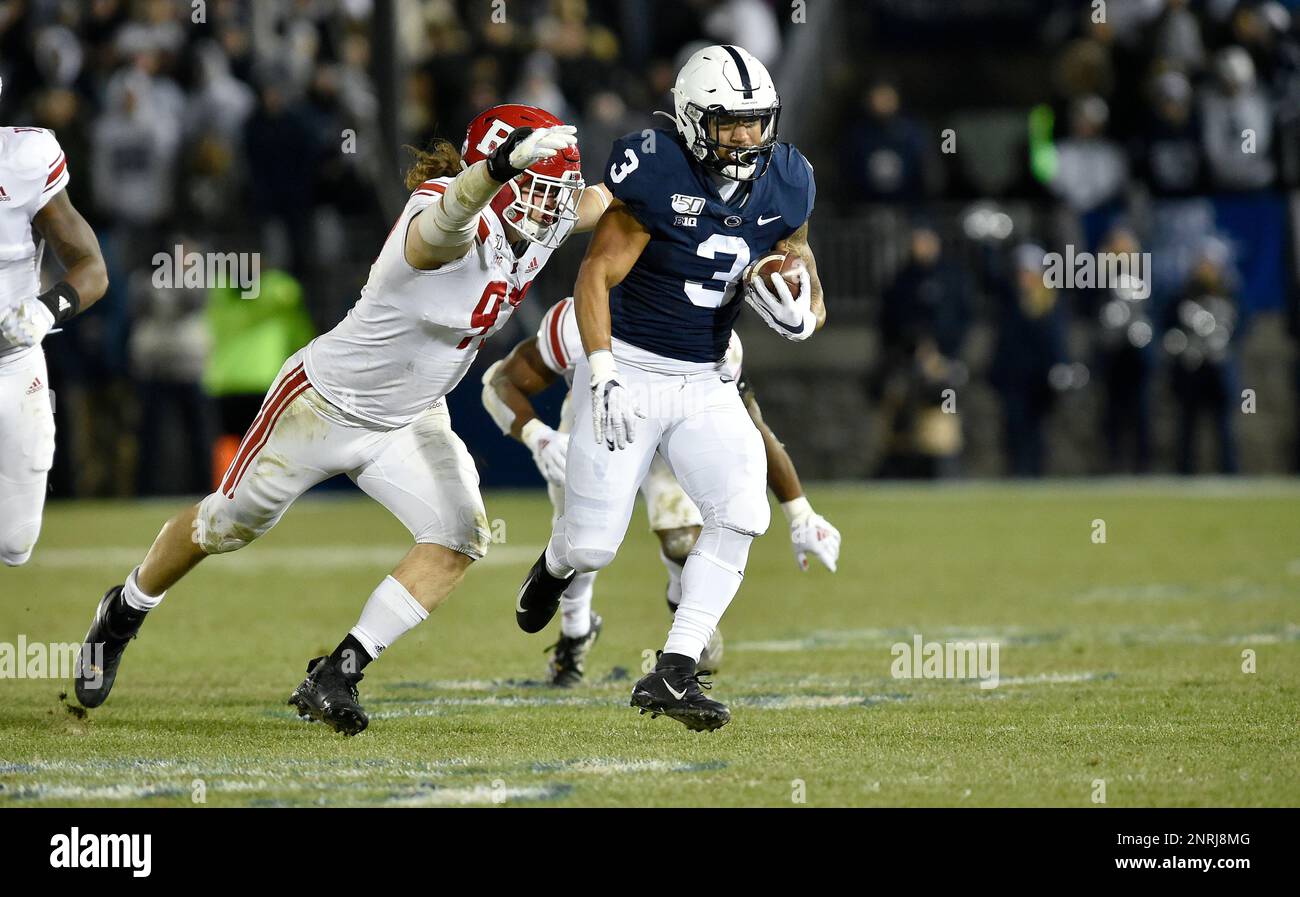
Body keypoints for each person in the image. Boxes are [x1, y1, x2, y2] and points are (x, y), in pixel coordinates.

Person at [74, 104, 612, 735]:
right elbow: (442, 231)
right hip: (322, 405)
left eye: (556, 193)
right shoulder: (441, 208)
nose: (553, 209)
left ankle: (338, 672)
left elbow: (610, 199)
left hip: (411, 419)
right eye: (538, 188)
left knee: (460, 535)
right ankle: (126, 609)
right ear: (496, 175)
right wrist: (495, 170)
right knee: (225, 524)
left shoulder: (535, 217)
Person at [512, 45, 825, 731]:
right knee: (593, 544)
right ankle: (555, 564)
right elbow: (595, 273)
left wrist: (805, 307)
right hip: (629, 364)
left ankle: (674, 671)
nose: (745, 136)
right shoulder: (658, 166)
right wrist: (601, 371)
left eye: (755, 121)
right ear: (689, 118)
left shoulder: (789, 178)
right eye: (728, 121)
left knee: (744, 510)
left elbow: (797, 251)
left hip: (704, 377)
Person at [483, 296, 840, 686]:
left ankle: (681, 647)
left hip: (678, 425)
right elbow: (502, 382)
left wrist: (799, 511)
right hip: (600, 420)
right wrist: (539, 438)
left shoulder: (714, 333)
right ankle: (575, 631)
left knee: (683, 543)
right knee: (583, 544)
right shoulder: (578, 318)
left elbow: (752, 429)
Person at [0, 96, 111, 566]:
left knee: (16, 541)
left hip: (10, 359)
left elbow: (92, 269)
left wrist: (45, 312)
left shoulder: (24, 159)